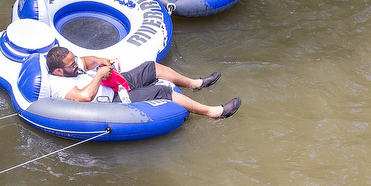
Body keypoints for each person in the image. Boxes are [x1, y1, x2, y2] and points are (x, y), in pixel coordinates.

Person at [45, 47, 240, 119]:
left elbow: (86, 61)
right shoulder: (59, 85)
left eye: (74, 60)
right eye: (71, 66)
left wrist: (99, 61)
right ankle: (213, 112)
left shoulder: (71, 66)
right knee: (162, 91)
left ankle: (195, 84)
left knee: (150, 67)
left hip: (112, 84)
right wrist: (99, 75)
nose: (76, 66)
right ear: (58, 71)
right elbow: (85, 97)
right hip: (113, 101)